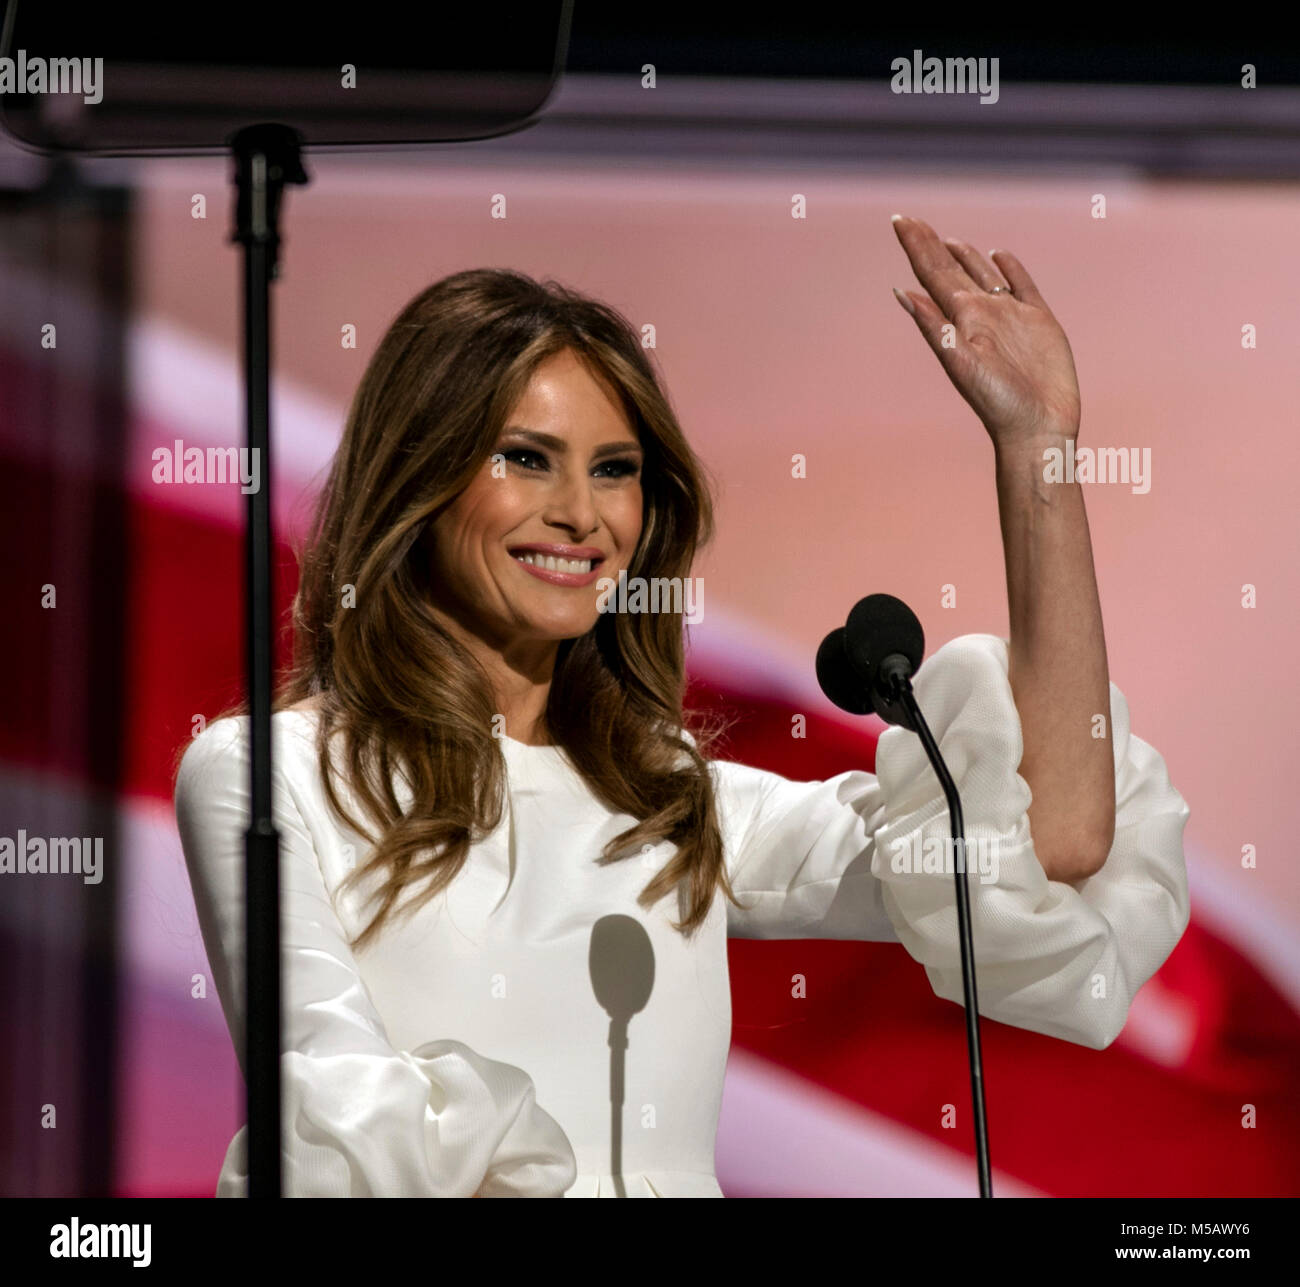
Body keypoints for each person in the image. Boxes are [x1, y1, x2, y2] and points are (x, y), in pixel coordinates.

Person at [174, 216, 1190, 1198]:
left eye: (613, 471)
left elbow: (1048, 838)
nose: (581, 513)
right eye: (525, 457)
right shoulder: (269, 774)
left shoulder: (674, 800)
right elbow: (338, 1131)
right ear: (419, 476)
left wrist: (1037, 449)